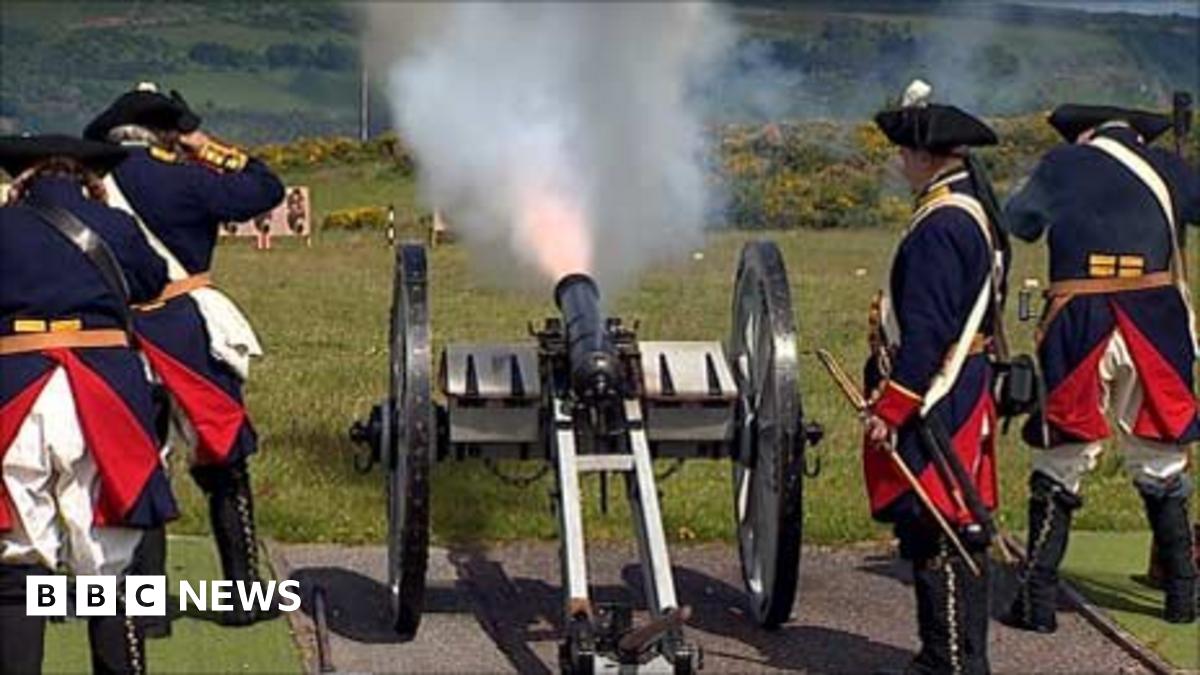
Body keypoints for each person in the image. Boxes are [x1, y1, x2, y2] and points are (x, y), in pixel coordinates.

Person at [84, 83, 285, 625]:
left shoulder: (90, 189)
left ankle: (144, 610)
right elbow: (266, 188)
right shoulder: (189, 177)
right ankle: (244, 597)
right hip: (186, 332)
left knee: (138, 467)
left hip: (116, 335)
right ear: (167, 133)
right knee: (225, 463)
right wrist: (204, 144)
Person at [1004, 104, 1200, 629]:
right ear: (1135, 134)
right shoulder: (1165, 166)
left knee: (1062, 459)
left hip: (1080, 324)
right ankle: (1182, 599)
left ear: (1084, 134)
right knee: (1162, 460)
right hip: (1156, 327)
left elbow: (1019, 222)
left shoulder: (1062, 163)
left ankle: (1037, 603)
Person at [0, 134, 178, 674]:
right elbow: (153, 282)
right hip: (100, 395)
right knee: (109, 562)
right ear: (87, 177)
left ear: (22, 178)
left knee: (16, 560)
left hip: (13, 392)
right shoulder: (115, 225)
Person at [863, 80, 1008, 675]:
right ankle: (948, 658)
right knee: (953, 523)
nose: (901, 163)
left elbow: (925, 334)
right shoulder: (968, 209)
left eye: (905, 154)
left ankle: (949, 664)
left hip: (941, 392)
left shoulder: (941, 226)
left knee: (941, 530)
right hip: (963, 383)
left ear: (927, 157)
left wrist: (890, 408)